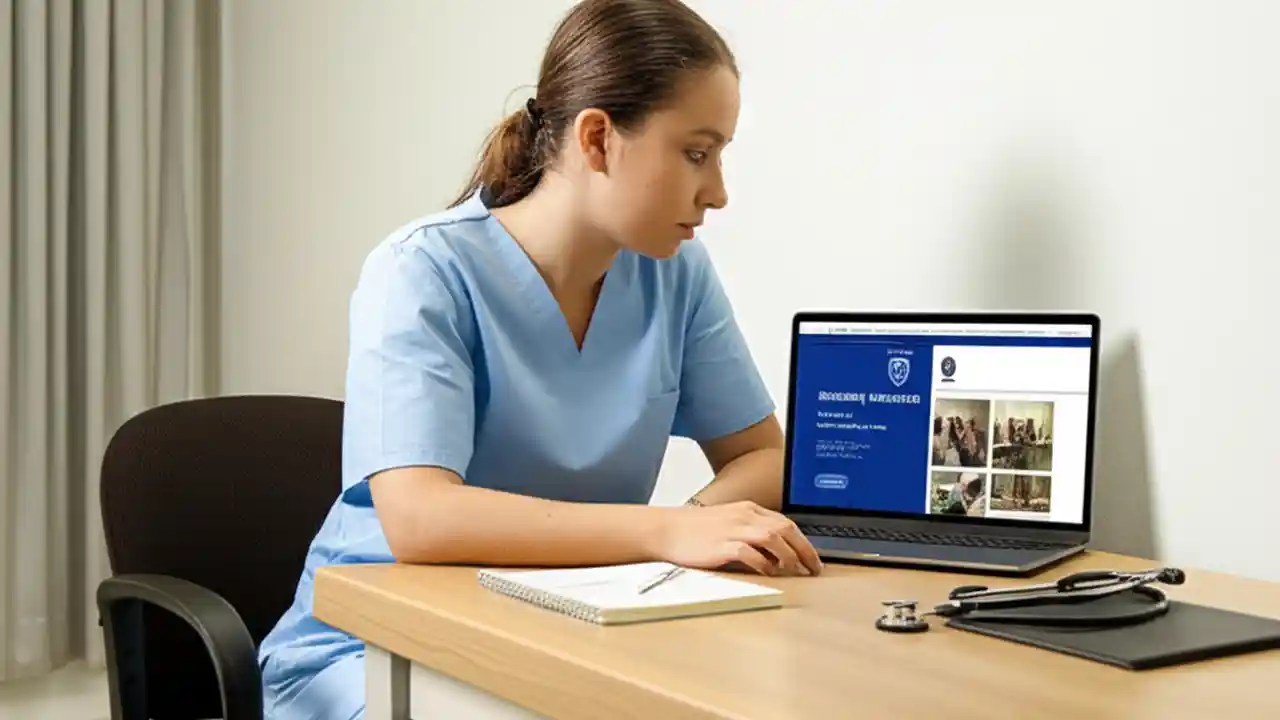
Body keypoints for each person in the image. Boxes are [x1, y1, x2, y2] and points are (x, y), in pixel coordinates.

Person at [256, 1, 823, 718]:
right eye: (696, 152)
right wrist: (664, 533)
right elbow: (420, 518)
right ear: (598, 138)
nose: (717, 192)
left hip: (563, 631)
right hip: (372, 650)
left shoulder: (676, 275)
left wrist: (693, 530)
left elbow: (764, 457)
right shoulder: (422, 271)